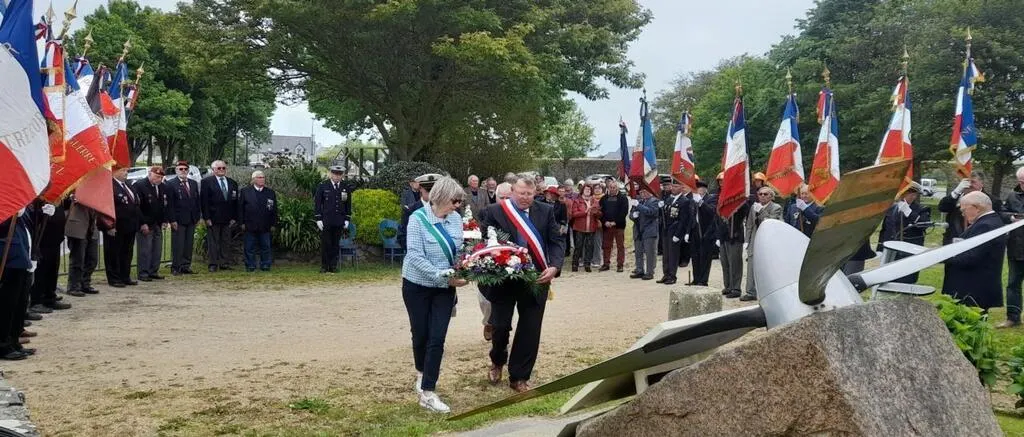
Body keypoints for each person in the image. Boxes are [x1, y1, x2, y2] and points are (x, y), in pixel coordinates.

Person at [480, 175, 565, 393]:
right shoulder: (495, 211)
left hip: (537, 279)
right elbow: (485, 245)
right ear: (513, 192)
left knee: (530, 328)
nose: (525, 198)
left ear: (535, 193)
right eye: (521, 193)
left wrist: (554, 267)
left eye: (529, 194)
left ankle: (519, 376)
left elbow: (556, 242)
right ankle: (497, 361)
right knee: (500, 326)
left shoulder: (545, 211)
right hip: (505, 280)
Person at [401, 176, 467, 413]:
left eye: (459, 201)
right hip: (416, 286)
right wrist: (443, 276)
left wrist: (466, 268)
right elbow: (415, 257)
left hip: (444, 289)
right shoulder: (417, 219)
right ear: (440, 197)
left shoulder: (456, 219)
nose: (457, 205)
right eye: (454, 200)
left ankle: (428, 391)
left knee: (437, 338)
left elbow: (459, 250)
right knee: (421, 334)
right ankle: (421, 372)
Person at [942, 191, 1007, 312]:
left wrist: (940, 256)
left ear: (976, 208)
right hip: (974, 288)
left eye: (963, 210)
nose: (962, 214)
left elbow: (970, 257)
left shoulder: (986, 226)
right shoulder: (989, 221)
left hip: (973, 290)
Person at [477, 182, 513, 341]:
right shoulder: (485, 212)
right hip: (489, 261)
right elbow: (479, 236)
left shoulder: (519, 214)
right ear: (495, 197)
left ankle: (502, 329)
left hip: (513, 262)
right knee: (485, 300)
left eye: (508, 197)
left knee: (507, 301)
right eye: (501, 197)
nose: (504, 200)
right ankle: (488, 321)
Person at [877, 182, 930, 283]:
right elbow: (886, 229)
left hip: (908, 250)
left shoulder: (922, 209)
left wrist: (909, 212)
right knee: (888, 278)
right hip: (891, 249)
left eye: (913, 194)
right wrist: (880, 247)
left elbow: (924, 225)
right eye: (907, 193)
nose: (911, 196)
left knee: (906, 279)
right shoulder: (892, 208)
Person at [0, 212, 34, 360]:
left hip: (21, 257)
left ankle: (13, 341)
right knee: (6, 305)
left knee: (18, 304)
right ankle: (3, 345)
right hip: (8, 258)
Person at [101, 165, 142, 288]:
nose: (126, 172)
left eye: (126, 170)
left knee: (127, 252)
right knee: (113, 253)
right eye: (123, 170)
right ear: (114, 172)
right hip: (116, 226)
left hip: (130, 226)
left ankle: (125, 276)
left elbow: (135, 203)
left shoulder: (128, 185)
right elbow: (105, 207)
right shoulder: (109, 186)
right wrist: (109, 225)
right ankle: (114, 278)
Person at [28, 199, 71, 312]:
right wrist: (42, 213)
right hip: (43, 240)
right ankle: (36, 301)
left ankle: (50, 297)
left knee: (52, 270)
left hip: (55, 238)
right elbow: (33, 216)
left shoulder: (58, 193)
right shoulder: (40, 196)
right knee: (41, 271)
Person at [742, 186, 783, 301]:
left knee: (769, 268)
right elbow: (749, 225)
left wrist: (762, 211)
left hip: (768, 242)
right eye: (760, 194)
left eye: (765, 194)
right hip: (755, 240)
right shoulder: (753, 207)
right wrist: (747, 241)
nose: (762, 196)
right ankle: (750, 292)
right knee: (751, 267)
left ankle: (770, 293)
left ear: (771, 196)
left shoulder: (776, 207)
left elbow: (772, 222)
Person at [939, 171, 1001, 245]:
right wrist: (956, 191)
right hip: (953, 242)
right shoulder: (955, 198)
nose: (969, 185)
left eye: (973, 182)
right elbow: (942, 208)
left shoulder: (992, 201)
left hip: (978, 243)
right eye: (966, 182)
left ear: (982, 183)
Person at [200, 160, 239, 272]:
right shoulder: (206, 182)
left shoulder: (232, 183)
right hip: (213, 217)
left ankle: (224, 263)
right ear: (213, 170)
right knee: (213, 242)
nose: (222, 170)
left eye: (223, 168)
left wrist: (234, 217)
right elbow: (204, 201)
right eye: (219, 168)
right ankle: (213, 264)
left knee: (226, 241)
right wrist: (206, 217)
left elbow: (235, 201)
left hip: (228, 218)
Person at [314, 165, 353, 273]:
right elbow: (318, 203)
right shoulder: (323, 186)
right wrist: (318, 218)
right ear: (331, 174)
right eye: (335, 174)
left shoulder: (345, 187)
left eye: (339, 174)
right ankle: (324, 266)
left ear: (342, 175)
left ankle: (333, 266)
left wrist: (347, 219)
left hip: (339, 220)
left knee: (335, 244)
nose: (337, 176)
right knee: (326, 244)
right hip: (326, 220)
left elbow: (348, 204)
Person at [238, 170, 279, 272]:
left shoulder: (270, 192)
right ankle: (250, 265)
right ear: (253, 179)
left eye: (263, 177)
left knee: (265, 246)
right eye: (259, 177)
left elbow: (274, 209)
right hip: (250, 224)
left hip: (265, 224)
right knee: (249, 247)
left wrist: (273, 223)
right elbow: (240, 208)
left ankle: (265, 264)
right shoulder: (245, 191)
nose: (262, 179)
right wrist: (241, 222)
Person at [166, 160, 201, 275]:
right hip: (178, 219)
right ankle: (176, 267)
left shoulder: (193, 183)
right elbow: (170, 204)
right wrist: (172, 220)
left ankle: (186, 265)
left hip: (191, 219)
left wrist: (197, 217)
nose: (183, 171)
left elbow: (196, 201)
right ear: (176, 170)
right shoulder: (171, 184)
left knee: (188, 244)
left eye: (185, 169)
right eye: (181, 169)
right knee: (178, 244)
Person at [999, 166, 1024, 328]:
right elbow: (1002, 211)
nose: (1023, 185)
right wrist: (1011, 217)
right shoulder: (1012, 195)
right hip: (1016, 247)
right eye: (1021, 182)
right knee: (1013, 284)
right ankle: (1013, 317)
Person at [133, 166, 168, 282]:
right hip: (146, 223)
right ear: (150, 174)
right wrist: (142, 223)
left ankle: (153, 271)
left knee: (157, 249)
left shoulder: (162, 186)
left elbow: (163, 205)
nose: (159, 179)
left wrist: (164, 220)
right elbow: (137, 207)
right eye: (157, 176)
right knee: (145, 249)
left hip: (157, 223)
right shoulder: (140, 185)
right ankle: (143, 272)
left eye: (161, 177)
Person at [65, 194, 101, 295]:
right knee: (77, 259)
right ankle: (73, 286)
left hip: (91, 226)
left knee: (92, 259)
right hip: (77, 225)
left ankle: (85, 283)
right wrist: (71, 197)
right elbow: (64, 199)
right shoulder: (76, 185)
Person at [658, 180, 692, 285]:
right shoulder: (669, 199)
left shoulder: (684, 201)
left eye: (676, 186)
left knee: (673, 255)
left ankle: (672, 276)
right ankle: (666, 274)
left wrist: (678, 234)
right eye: (672, 186)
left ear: (681, 188)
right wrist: (661, 208)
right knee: (666, 255)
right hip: (666, 231)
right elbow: (665, 215)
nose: (673, 188)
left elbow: (683, 220)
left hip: (675, 232)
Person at [399, 174, 441, 249]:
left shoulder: (447, 210)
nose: (431, 193)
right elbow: (402, 236)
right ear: (420, 189)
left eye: (434, 190)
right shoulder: (410, 210)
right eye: (428, 190)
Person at [690, 180, 718, 286]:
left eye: (700, 189)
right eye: (697, 189)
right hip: (695, 230)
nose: (698, 191)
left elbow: (711, 212)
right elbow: (691, 215)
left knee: (705, 257)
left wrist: (701, 203)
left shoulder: (711, 198)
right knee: (695, 256)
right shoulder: (693, 200)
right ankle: (696, 278)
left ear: (705, 189)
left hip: (706, 232)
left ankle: (703, 280)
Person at [630, 187, 660, 280]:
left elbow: (651, 212)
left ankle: (650, 272)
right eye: (641, 192)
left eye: (644, 192)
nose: (642, 194)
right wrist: (633, 216)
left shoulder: (654, 201)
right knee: (638, 252)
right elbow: (631, 214)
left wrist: (638, 206)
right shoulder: (639, 201)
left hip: (649, 230)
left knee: (649, 252)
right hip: (638, 230)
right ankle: (639, 270)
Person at [570, 184, 602, 272]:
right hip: (579, 228)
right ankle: (575, 264)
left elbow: (599, 214)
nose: (587, 190)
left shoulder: (594, 201)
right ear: (582, 190)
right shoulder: (577, 201)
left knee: (589, 246)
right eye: (586, 189)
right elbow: (574, 214)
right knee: (578, 247)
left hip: (591, 228)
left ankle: (587, 264)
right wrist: (585, 212)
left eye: (589, 189)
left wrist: (596, 213)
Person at [599, 179, 628, 272]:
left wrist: (615, 222)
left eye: (614, 187)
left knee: (620, 246)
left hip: (618, 226)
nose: (612, 189)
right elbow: (601, 213)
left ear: (617, 188)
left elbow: (624, 212)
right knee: (606, 246)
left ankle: (620, 265)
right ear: (608, 188)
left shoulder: (623, 198)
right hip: (607, 226)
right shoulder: (603, 199)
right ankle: (606, 264)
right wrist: (605, 222)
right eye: (610, 187)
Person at [591, 183, 606, 268]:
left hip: (600, 223)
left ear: (602, 189)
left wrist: (600, 220)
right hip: (590, 223)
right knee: (590, 242)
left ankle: (597, 260)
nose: (597, 190)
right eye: (595, 188)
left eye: (599, 188)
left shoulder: (604, 198)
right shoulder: (591, 198)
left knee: (598, 242)